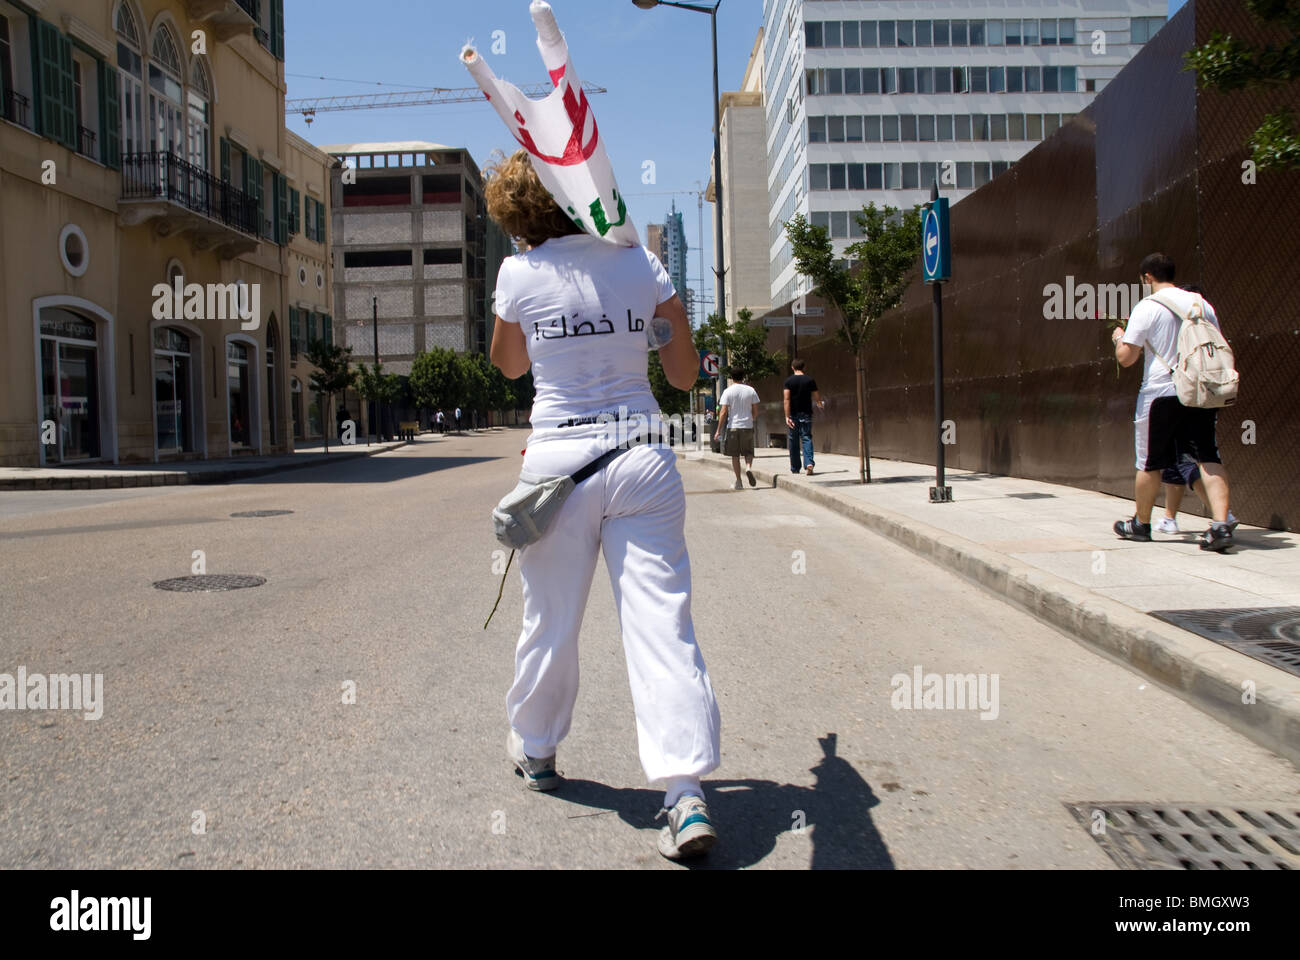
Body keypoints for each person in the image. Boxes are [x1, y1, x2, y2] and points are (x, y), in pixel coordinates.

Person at [486, 149, 722, 860]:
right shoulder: (637, 261)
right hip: (641, 458)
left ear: (522, 214)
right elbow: (683, 374)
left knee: (550, 618)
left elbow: (509, 364)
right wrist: (643, 322)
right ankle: (683, 795)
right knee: (661, 623)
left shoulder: (518, 272)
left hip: (558, 465)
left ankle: (536, 749)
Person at [1112, 253, 1234, 551]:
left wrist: (1119, 338)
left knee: (1150, 463)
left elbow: (1127, 358)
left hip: (1161, 394)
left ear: (1147, 277)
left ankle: (1141, 524)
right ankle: (1221, 526)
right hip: (1199, 391)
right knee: (1208, 456)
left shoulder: (1147, 306)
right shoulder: (1200, 304)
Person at [1154, 284, 1237, 535]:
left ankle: (1221, 515)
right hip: (1209, 393)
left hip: (1181, 393)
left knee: (1185, 459)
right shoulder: (1208, 314)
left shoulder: (1171, 316)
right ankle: (1185, 518)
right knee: (1203, 455)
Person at [715, 367, 760, 489]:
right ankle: (749, 468)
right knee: (748, 452)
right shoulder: (751, 390)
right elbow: (756, 410)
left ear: (731, 377)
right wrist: (752, 419)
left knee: (735, 455)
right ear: (743, 376)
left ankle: (739, 481)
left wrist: (718, 430)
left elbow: (723, 412)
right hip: (747, 426)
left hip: (733, 426)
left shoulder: (727, 391)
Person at [784, 359, 825, 475]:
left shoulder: (788, 381)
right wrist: (820, 405)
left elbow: (786, 399)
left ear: (792, 367)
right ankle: (809, 464)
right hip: (806, 413)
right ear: (804, 367)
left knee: (793, 440)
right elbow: (817, 397)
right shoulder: (810, 380)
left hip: (793, 414)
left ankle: (795, 467)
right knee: (806, 437)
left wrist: (787, 416)